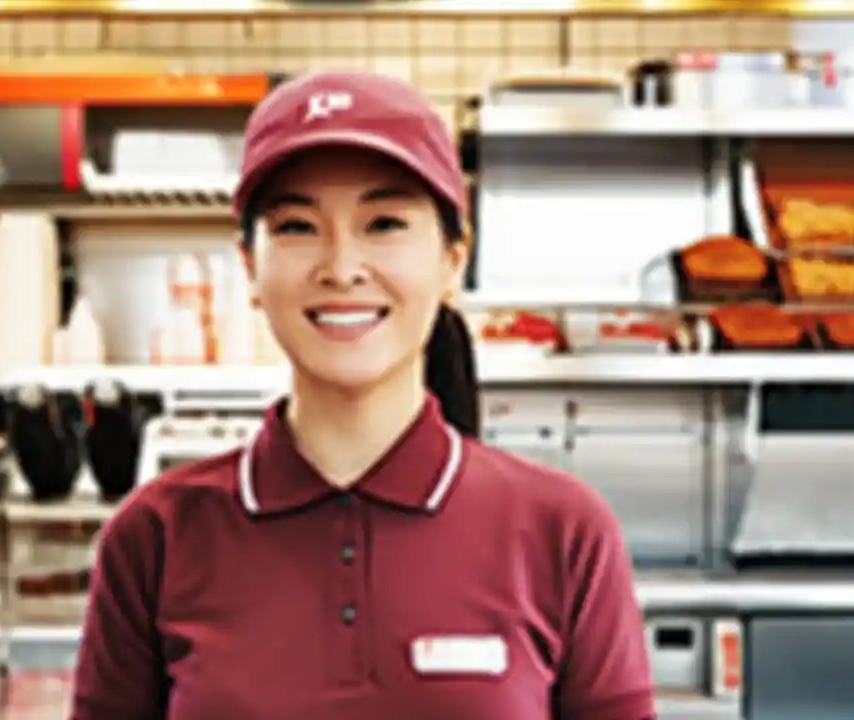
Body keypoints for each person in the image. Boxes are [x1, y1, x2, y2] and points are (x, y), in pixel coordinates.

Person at [70, 71, 656, 720]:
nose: (342, 267)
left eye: (383, 223)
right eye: (297, 226)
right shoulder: (153, 538)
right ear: (250, 271)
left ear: (452, 262)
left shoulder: (563, 531)